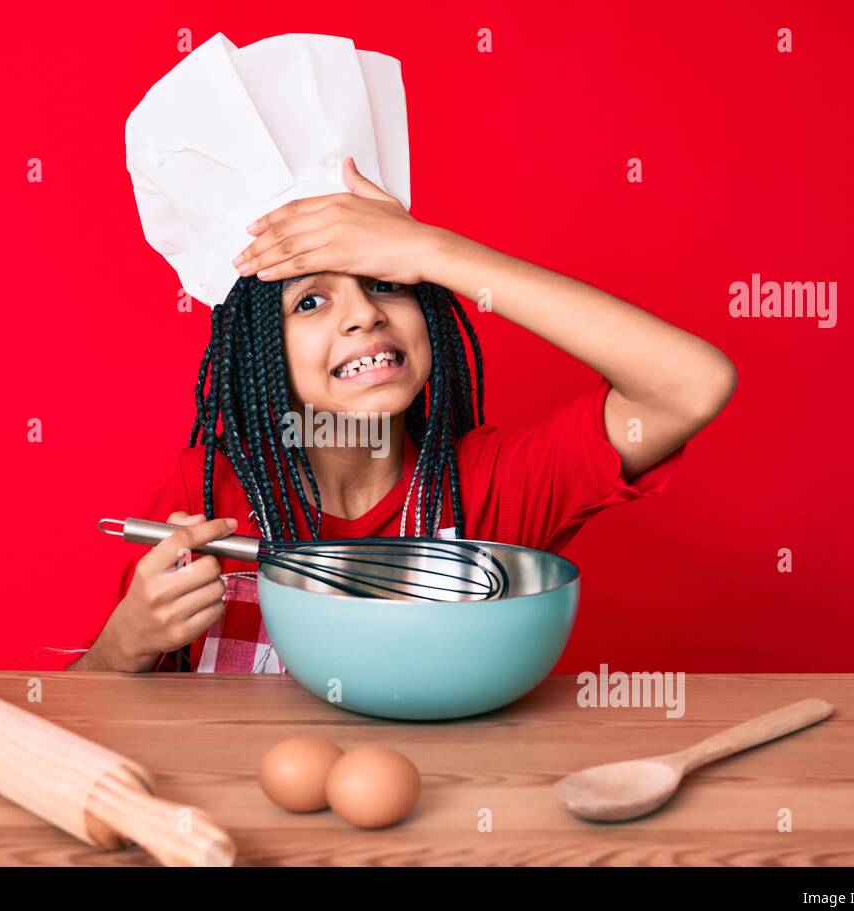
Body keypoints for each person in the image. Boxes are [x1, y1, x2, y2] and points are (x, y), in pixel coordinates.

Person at [67, 155, 735, 674]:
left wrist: (433, 250)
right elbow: (86, 709)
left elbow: (691, 385)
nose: (365, 313)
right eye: (310, 301)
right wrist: (126, 645)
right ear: (259, 353)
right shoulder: (207, 495)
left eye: (387, 282)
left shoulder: (489, 487)